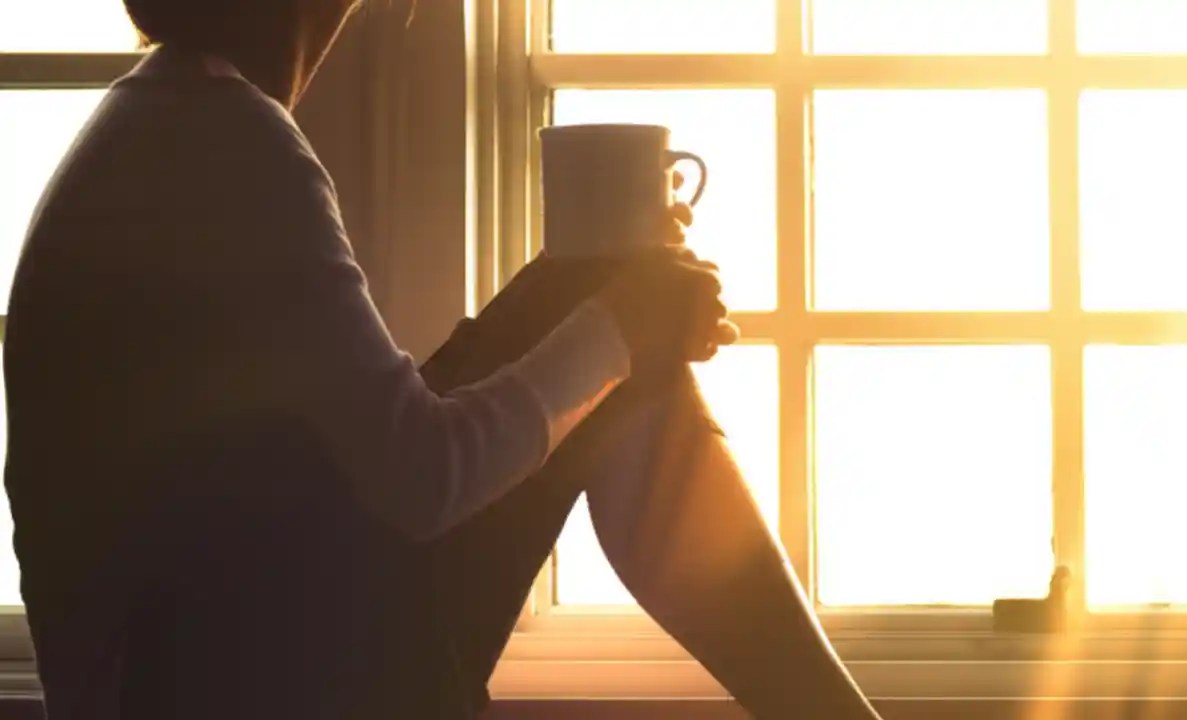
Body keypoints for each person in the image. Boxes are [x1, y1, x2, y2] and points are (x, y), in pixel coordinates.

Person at [3, 0, 884, 718]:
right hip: (230, 691)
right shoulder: (224, 141)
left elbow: (371, 457)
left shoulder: (169, 121)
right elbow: (425, 477)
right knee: (620, 351)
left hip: (204, 669)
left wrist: (602, 309)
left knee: (607, 325)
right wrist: (619, 328)